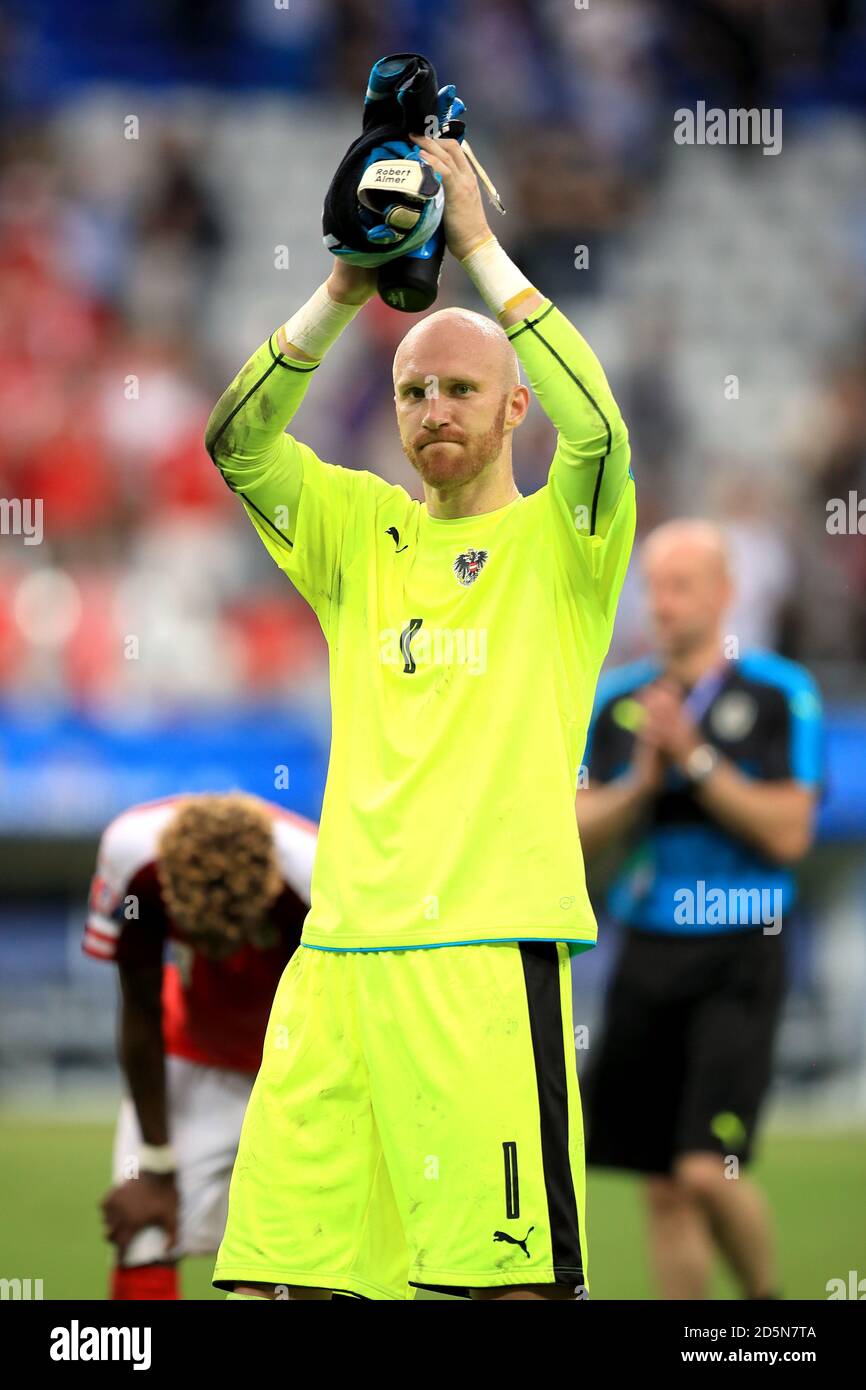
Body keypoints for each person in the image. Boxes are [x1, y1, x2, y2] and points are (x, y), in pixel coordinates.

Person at [205, 132, 635, 1302]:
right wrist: (344, 284)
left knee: (502, 1292)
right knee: (270, 1286)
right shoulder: (358, 533)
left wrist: (479, 247)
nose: (433, 406)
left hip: (485, 965)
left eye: (459, 389)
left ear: (512, 411)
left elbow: (600, 429)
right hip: (337, 962)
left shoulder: (565, 544)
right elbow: (236, 441)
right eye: (412, 390)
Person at [577, 520, 823, 1300]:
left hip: (741, 947)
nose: (664, 604)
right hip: (647, 946)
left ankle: (766, 1312)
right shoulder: (619, 700)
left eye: (682, 585)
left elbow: (789, 832)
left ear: (724, 593)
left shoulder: (778, 693)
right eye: (654, 587)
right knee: (661, 1184)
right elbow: (574, 831)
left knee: (704, 1170)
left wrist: (697, 760)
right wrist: (641, 784)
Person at [84, 792, 316, 1299]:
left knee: (291, 1266)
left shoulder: (317, 875)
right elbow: (141, 1003)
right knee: (141, 1232)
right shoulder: (133, 854)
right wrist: (154, 1163)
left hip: (289, 1074)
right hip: (187, 1057)